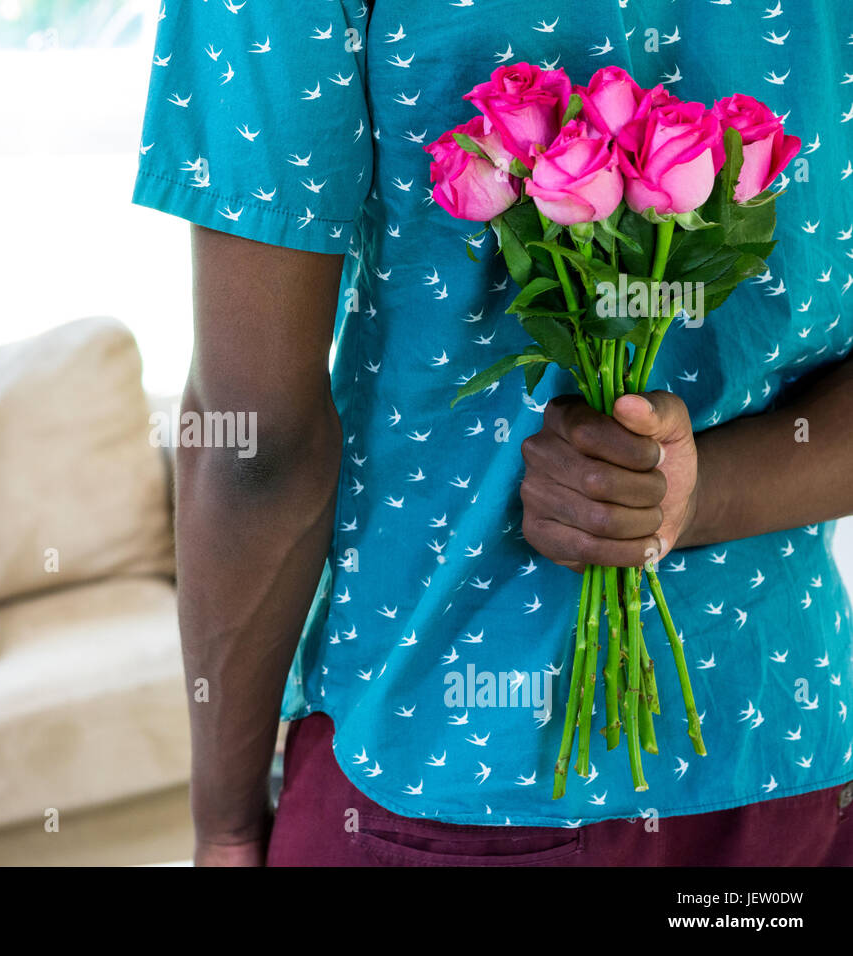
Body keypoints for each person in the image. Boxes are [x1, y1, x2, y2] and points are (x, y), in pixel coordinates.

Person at [132, 1, 853, 865]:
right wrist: (687, 497)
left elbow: (256, 444)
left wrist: (226, 823)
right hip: (788, 746)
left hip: (448, 767)